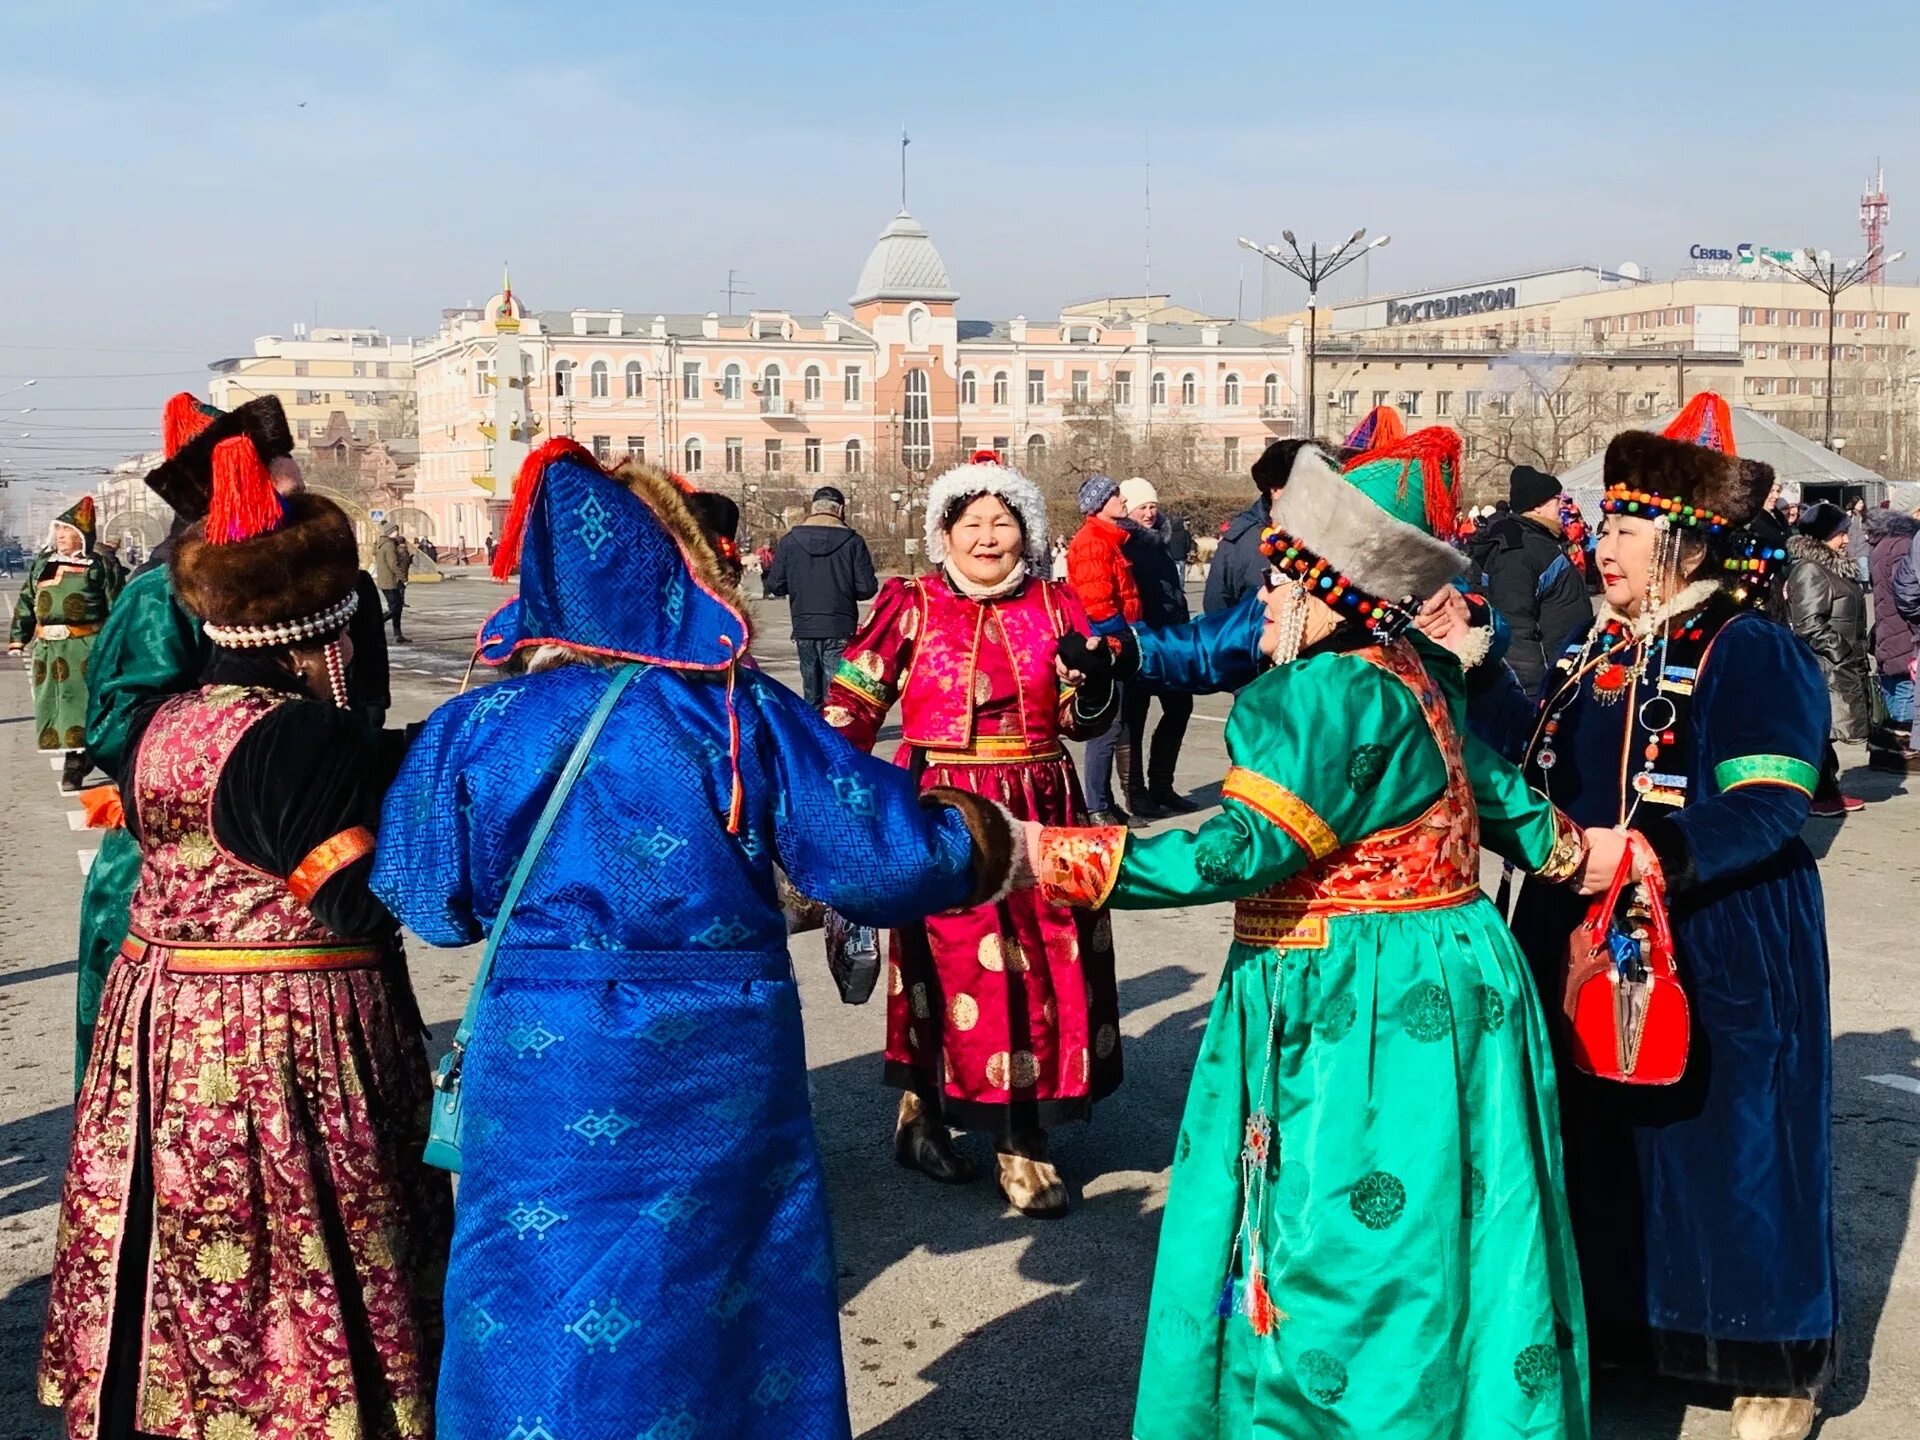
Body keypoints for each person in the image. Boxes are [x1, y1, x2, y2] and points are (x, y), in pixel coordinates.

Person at [371, 438, 1025, 1440]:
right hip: (716, 1073)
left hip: (543, 1070)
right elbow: (887, 863)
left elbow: (431, 906)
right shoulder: (736, 712)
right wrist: (976, 834)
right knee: (721, 1304)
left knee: (533, 1294)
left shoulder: (480, 723)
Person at [1032, 429, 1594, 1440]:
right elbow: (1503, 795)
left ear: (1317, 579)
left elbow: (1237, 853)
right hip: (1458, 971)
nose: (1267, 607)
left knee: (1334, 1249)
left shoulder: (1322, 692)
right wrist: (1586, 856)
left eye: (1280, 577)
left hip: (1356, 1000)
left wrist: (1046, 859)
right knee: (1449, 1226)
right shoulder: (1411, 664)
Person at [39, 426, 451, 1440]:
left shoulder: (168, 726)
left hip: (170, 1031)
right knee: (295, 1240)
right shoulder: (298, 738)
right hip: (282, 1042)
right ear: (328, 632)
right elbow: (365, 898)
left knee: (190, 1236)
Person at [1482, 429, 1836, 1440]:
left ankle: (1769, 1357)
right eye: (1609, 522)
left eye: (1630, 525)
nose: (1607, 542)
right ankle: (1626, 1329)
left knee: (1729, 1144)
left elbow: (1771, 804)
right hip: (1584, 918)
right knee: (1599, 1139)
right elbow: (1530, 752)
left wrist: (1648, 857)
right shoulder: (1603, 642)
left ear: (1687, 539)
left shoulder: (1748, 645)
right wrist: (1466, 667)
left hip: (1716, 928)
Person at [825, 449, 1121, 1218]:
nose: (989, 538)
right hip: (946, 806)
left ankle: (1022, 1137)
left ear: (1027, 531)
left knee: (1039, 970)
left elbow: (1085, 718)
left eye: (1004, 523)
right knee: (949, 969)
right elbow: (851, 703)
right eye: (972, 524)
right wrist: (830, 803)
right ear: (944, 534)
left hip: (1041, 801)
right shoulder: (911, 604)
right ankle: (925, 1115)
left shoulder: (1059, 606)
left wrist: (1094, 686)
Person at [10, 496, 123, 792]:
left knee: (81, 705)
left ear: (81, 536)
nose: (60, 537)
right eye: (57, 531)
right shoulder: (42, 565)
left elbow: (117, 607)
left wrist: (114, 646)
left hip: (85, 646)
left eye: (66, 531)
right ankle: (76, 754)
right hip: (49, 649)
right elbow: (26, 601)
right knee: (54, 705)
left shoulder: (98, 567)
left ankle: (76, 761)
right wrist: (19, 638)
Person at [1469, 464, 1590, 693]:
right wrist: (1534, 692)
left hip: (1562, 672)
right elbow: (1514, 624)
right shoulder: (1519, 550)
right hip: (1544, 680)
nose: (1562, 505)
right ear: (1537, 505)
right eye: (1557, 499)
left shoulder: (1540, 541)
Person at [1116, 476, 1196, 815]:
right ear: (1128, 509)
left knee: (1180, 707)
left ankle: (1162, 784)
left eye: (1152, 506)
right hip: (1142, 640)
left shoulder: (1161, 541)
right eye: (1142, 507)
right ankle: (1136, 793)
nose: (1149, 513)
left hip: (1172, 640)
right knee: (1134, 717)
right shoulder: (1125, 544)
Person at [1784, 501, 1868, 816]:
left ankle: (1827, 790)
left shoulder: (1832, 567)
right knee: (1820, 728)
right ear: (1822, 536)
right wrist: (1840, 651)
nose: (1846, 540)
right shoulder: (1810, 569)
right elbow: (1808, 623)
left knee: (1826, 731)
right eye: (1840, 534)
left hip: (1837, 665)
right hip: (1823, 666)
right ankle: (1819, 795)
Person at [1066, 473, 1140, 824]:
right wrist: (1126, 637)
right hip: (1105, 645)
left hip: (1116, 641)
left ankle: (1106, 802)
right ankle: (1095, 806)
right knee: (1106, 729)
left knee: (1118, 724)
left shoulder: (1109, 539)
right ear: (1099, 504)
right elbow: (1097, 604)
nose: (1123, 499)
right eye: (1115, 494)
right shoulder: (1093, 541)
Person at [767, 483, 879, 708]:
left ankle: (813, 737)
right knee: (835, 692)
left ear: (814, 509)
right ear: (839, 510)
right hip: (840, 626)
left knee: (811, 692)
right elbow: (867, 587)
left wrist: (800, 583)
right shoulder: (853, 542)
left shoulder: (790, 542)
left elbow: (775, 586)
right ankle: (834, 736)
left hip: (804, 626)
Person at [1206, 439, 1321, 616]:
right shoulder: (1241, 540)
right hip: (1256, 640)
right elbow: (1218, 610)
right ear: (1274, 490)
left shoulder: (1326, 534)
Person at [1865, 502, 1920, 763]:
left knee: (1893, 690)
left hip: (1889, 630)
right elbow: (1907, 591)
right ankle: (1900, 755)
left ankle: (1886, 752)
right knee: (1905, 692)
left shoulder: (1885, 542)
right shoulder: (1904, 543)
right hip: (1903, 631)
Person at [372, 520, 412, 642]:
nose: (397, 532)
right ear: (390, 532)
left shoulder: (382, 544)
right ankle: (376, 626)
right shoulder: (389, 545)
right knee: (396, 608)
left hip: (385, 581)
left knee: (396, 607)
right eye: (395, 530)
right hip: (390, 581)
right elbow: (393, 564)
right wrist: (403, 578)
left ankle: (397, 634)